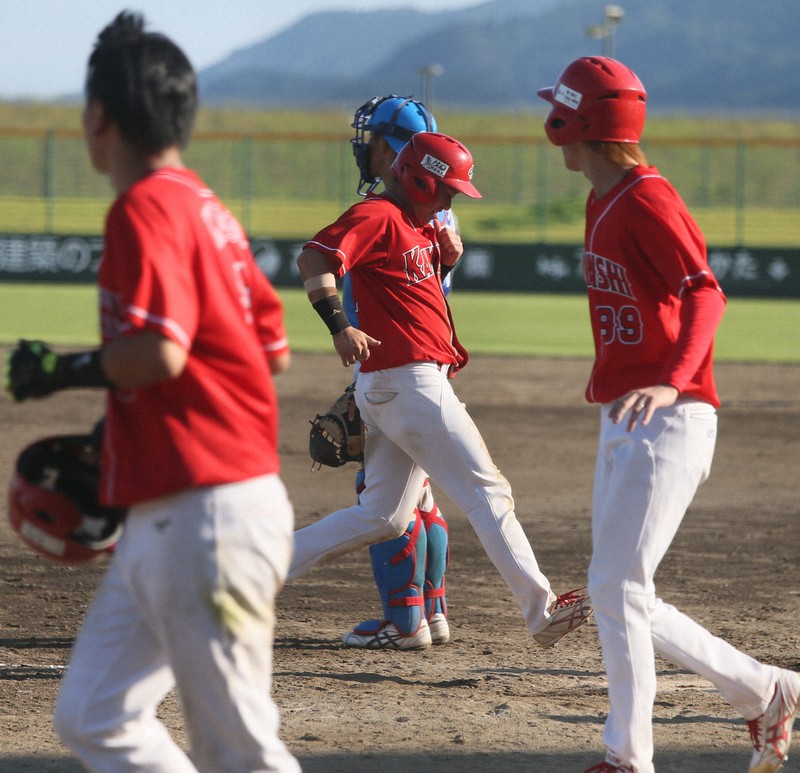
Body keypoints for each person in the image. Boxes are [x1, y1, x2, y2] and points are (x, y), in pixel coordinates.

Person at [4, 12, 300, 772]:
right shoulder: (211, 211)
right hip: (177, 511)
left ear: (97, 116)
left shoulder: (145, 208)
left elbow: (162, 352)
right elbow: (268, 352)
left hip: (209, 517)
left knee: (243, 751)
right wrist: (123, 433)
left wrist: (64, 371)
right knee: (96, 713)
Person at [537, 55, 799, 773]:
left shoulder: (648, 198)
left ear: (575, 124)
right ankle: (767, 689)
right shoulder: (601, 200)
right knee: (617, 589)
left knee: (617, 586)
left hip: (671, 415)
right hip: (626, 414)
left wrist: (674, 381)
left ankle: (627, 758)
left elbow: (705, 294)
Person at [292, 128, 593, 651]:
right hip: (409, 383)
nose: (454, 198)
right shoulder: (378, 215)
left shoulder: (415, 224)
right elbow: (313, 260)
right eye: (448, 189)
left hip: (398, 386)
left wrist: (445, 262)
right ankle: (541, 612)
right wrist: (339, 324)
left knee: (382, 516)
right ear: (418, 180)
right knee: (487, 492)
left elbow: (411, 295)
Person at [339, 94, 454, 650]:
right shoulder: (433, 204)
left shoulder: (394, 209)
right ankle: (431, 612)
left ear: (387, 147)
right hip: (427, 360)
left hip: (392, 361)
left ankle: (404, 619)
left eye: (371, 141)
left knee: (381, 497)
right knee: (423, 494)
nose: (364, 150)